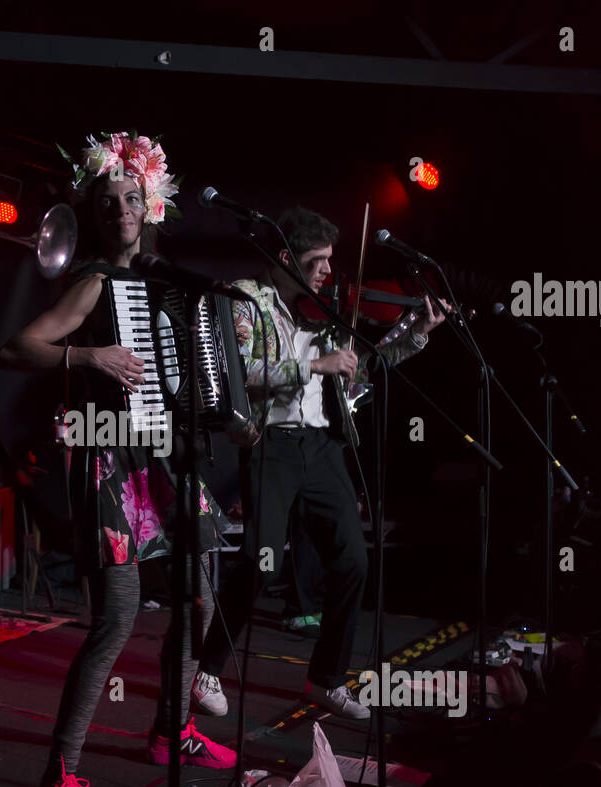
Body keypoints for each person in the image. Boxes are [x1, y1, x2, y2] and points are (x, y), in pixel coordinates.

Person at [0, 132, 236, 787]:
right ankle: (59, 779)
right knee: (116, 620)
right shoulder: (96, 282)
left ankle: (172, 729)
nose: (122, 210)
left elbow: (188, 376)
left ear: (151, 204)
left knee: (203, 590)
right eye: (109, 204)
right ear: (97, 216)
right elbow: (17, 349)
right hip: (109, 462)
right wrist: (89, 354)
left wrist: (227, 412)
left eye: (132, 199)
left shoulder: (168, 282)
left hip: (164, 457)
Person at [190, 207, 446, 719]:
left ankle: (326, 680)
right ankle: (208, 669)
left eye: (330, 261)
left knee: (355, 560)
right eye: (317, 263)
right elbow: (239, 368)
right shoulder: (245, 299)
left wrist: (415, 332)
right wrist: (314, 363)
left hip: (324, 445)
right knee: (262, 561)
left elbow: (360, 369)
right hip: (273, 445)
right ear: (285, 259)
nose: (328, 273)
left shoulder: (327, 311)